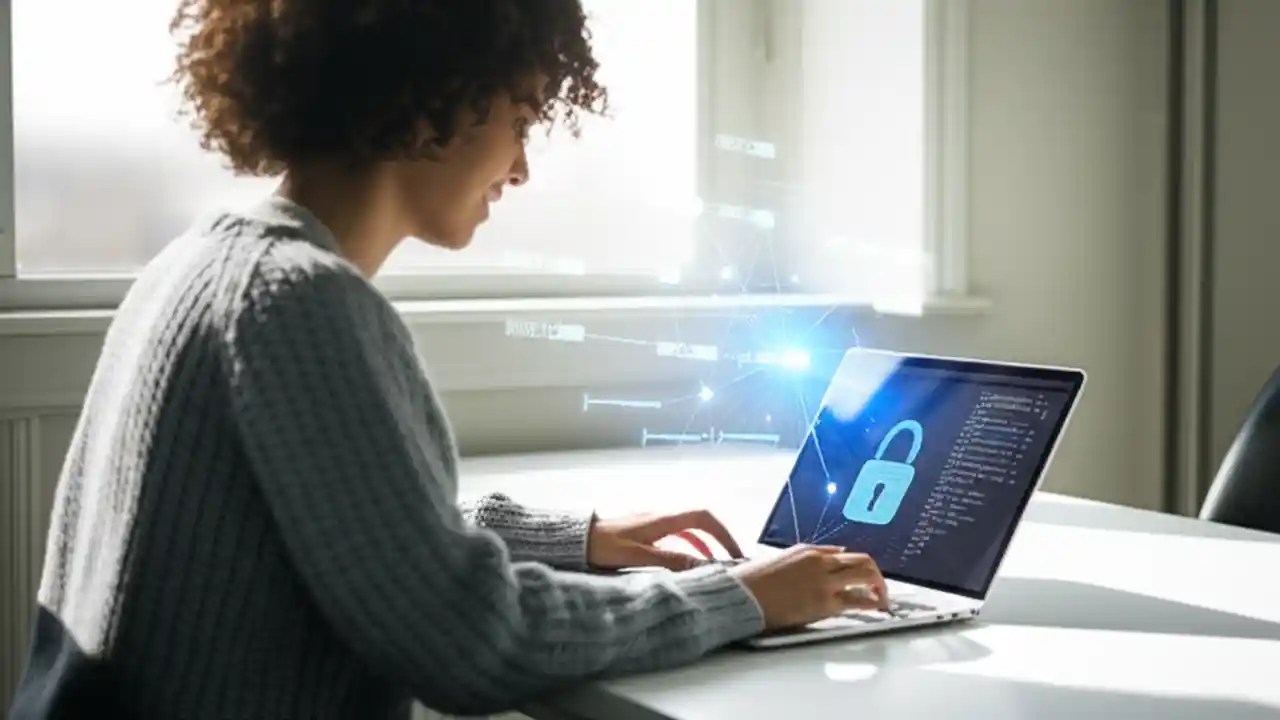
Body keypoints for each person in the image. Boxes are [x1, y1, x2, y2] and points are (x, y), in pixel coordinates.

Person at [10, 1, 889, 718]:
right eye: (520, 118)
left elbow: (354, 521)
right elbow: (470, 641)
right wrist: (738, 599)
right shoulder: (299, 303)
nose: (521, 168)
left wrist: (576, 542)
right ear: (437, 96)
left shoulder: (200, 264)